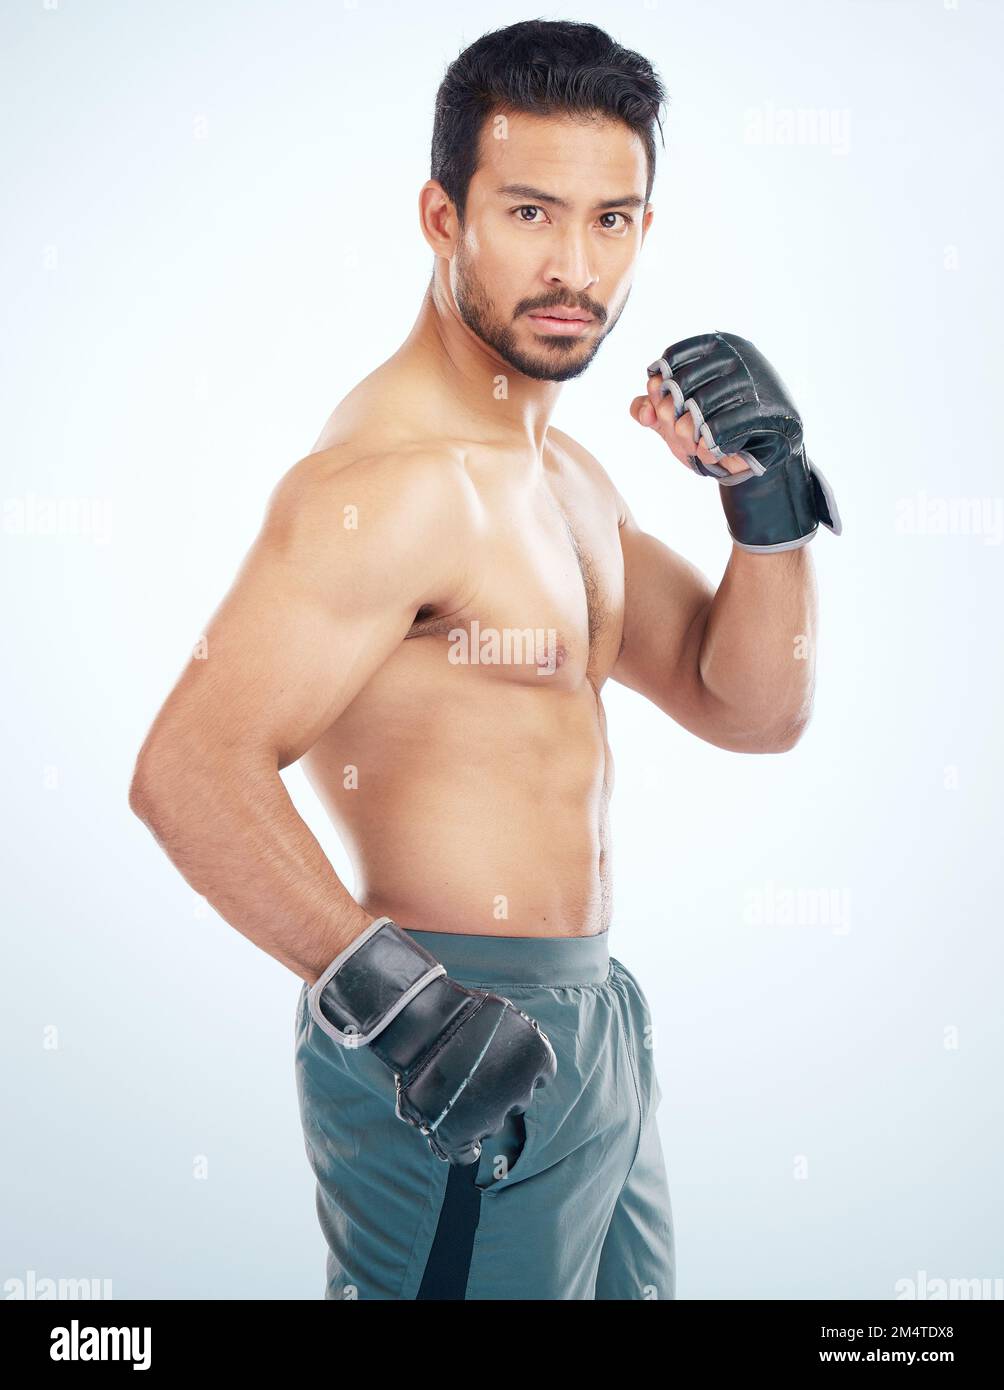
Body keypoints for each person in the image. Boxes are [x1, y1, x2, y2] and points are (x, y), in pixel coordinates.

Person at [129, 18, 838, 1301]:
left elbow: (752, 708)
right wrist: (402, 1009)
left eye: (612, 220)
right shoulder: (391, 485)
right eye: (528, 212)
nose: (574, 265)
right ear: (442, 216)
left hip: (596, 1023)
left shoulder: (564, 478)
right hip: (451, 1041)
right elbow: (187, 769)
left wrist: (766, 498)